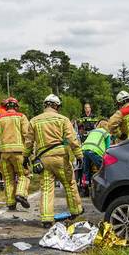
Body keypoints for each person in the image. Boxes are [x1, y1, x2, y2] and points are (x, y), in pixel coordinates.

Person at [26, 94, 84, 227]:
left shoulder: (34, 120)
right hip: (60, 157)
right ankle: (76, 211)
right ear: (56, 106)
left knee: (46, 189)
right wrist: (79, 155)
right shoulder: (63, 119)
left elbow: (29, 142)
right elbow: (72, 139)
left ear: (45, 105)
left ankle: (46, 219)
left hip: (43, 159)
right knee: (69, 184)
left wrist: (25, 157)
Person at [0, 97, 32, 211]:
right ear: (16, 107)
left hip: (3, 155)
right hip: (19, 153)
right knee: (23, 175)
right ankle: (20, 194)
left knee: (8, 178)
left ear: (6, 108)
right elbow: (28, 135)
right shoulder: (21, 117)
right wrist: (30, 153)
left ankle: (11, 203)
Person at [79, 120, 112, 197]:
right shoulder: (106, 133)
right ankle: (101, 189)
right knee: (102, 170)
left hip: (84, 149)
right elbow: (108, 148)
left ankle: (84, 190)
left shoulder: (93, 131)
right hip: (95, 151)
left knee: (86, 170)